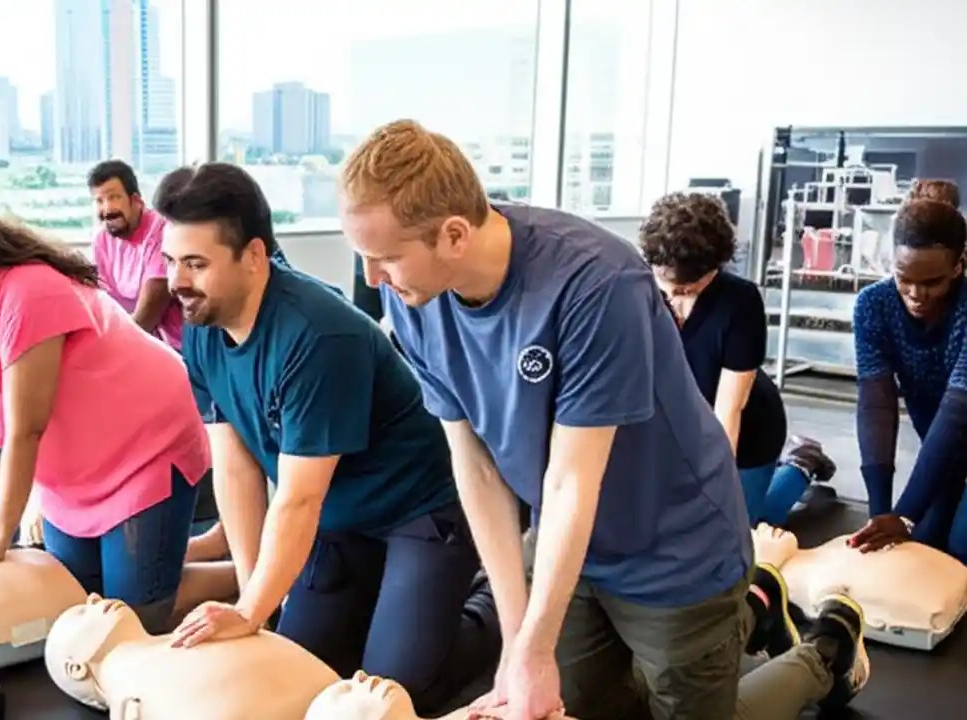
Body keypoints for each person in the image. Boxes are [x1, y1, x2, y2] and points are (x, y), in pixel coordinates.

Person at [340, 119, 867, 720]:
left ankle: (823, 653)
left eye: (383, 259)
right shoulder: (413, 297)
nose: (372, 279)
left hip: (673, 546)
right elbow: (476, 465)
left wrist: (533, 648)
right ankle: (757, 605)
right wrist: (518, 637)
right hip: (567, 540)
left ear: (454, 234)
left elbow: (572, 479)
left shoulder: (596, 282)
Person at [156, 162, 499, 715]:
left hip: (419, 511)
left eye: (195, 263)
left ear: (253, 256)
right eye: (171, 260)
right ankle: (388, 605)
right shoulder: (203, 323)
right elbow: (238, 468)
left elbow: (298, 498)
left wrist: (250, 610)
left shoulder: (318, 334)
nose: (177, 281)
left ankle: (492, 602)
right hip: (337, 520)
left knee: (391, 692)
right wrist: (253, 608)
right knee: (303, 671)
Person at [0, 187, 212, 633]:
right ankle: (195, 561)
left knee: (132, 617)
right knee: (74, 602)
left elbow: (24, 430)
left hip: (145, 442)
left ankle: (246, 575)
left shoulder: (27, 292)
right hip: (74, 462)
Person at [638, 191, 834, 527]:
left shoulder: (740, 301)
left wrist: (714, 492)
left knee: (737, 529)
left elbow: (727, 412)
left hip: (747, 427)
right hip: (673, 419)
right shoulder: (636, 288)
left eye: (689, 288)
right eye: (667, 285)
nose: (675, 297)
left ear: (716, 266)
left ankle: (801, 463)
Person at [848, 197, 967, 563]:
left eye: (931, 282)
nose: (916, 294)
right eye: (904, 279)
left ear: (959, 265)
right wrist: (881, 510)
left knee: (961, 551)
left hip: (954, 425)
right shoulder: (874, 305)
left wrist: (905, 513)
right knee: (923, 547)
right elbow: (876, 403)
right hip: (941, 445)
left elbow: (958, 410)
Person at [88, 160, 184, 351]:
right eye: (99, 200)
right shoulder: (102, 240)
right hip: (136, 341)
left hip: (176, 346)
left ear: (136, 200)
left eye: (114, 197)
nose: (107, 209)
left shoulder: (161, 230)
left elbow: (147, 317)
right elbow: (102, 303)